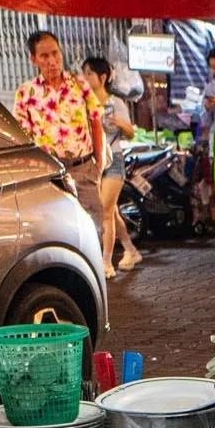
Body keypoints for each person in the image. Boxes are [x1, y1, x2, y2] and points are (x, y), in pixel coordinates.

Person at [10, 30, 105, 225]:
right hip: (49, 172)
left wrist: (99, 161)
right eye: (44, 56)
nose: (52, 61)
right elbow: (22, 138)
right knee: (56, 227)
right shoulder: (26, 92)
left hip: (83, 168)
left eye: (55, 53)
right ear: (33, 60)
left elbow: (96, 121)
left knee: (94, 229)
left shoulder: (79, 84)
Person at [82, 55, 141, 278]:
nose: (85, 78)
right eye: (84, 73)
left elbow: (131, 132)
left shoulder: (115, 103)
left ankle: (106, 263)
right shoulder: (83, 102)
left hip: (114, 159)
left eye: (89, 73)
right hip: (93, 161)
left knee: (104, 211)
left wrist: (119, 123)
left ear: (102, 77)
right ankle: (131, 250)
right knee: (111, 211)